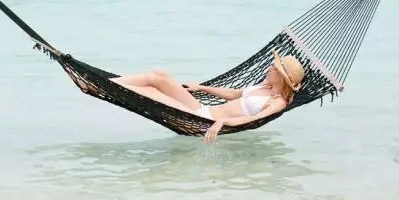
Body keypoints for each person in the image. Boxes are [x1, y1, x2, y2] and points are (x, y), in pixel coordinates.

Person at [112, 52, 305, 144]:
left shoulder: (277, 102)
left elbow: (251, 119)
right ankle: (108, 82)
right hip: (202, 110)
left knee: (152, 93)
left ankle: (106, 85)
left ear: (281, 76)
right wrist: (202, 87)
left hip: (203, 122)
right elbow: (233, 94)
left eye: (274, 68)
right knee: (158, 76)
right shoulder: (264, 86)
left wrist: (223, 122)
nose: (269, 68)